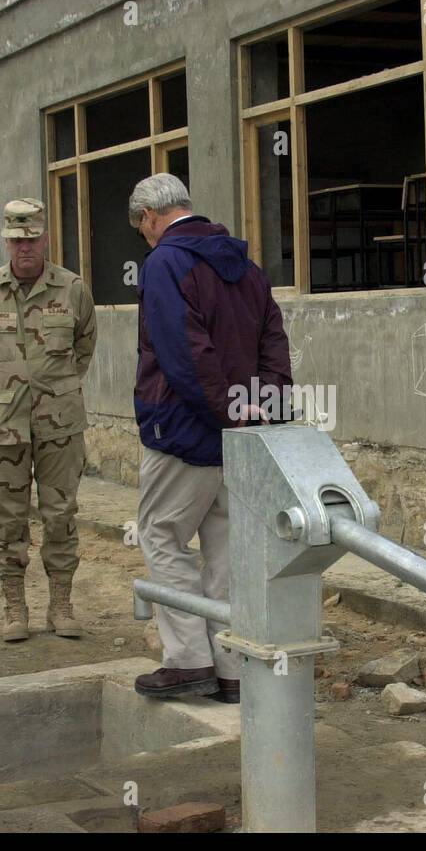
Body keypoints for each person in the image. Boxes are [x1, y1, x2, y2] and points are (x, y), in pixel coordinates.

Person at [127, 173, 291, 704]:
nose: (146, 239)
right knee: (225, 548)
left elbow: (184, 354)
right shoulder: (247, 267)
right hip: (240, 437)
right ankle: (233, 670)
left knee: (162, 536)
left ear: (151, 216)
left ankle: (188, 661)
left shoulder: (165, 263)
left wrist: (223, 413)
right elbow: (273, 346)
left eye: (143, 229)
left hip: (184, 432)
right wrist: (257, 413)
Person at [0, 199, 97, 642]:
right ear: (5, 240)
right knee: (8, 518)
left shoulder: (73, 289)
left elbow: (85, 346)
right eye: (16, 240)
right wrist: (3, 386)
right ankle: (15, 607)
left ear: (45, 238)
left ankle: (61, 604)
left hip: (59, 423)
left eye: (31, 239)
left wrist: (55, 387)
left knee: (60, 514)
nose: (24, 248)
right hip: (3, 426)